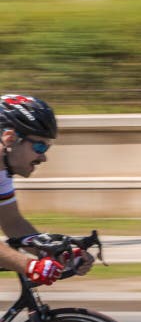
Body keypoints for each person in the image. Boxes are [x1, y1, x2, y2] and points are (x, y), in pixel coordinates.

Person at [0, 94, 94, 283]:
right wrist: (30, 266)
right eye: (39, 147)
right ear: (10, 138)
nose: (44, 158)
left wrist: (55, 254)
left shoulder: (2, 173)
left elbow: (12, 222)